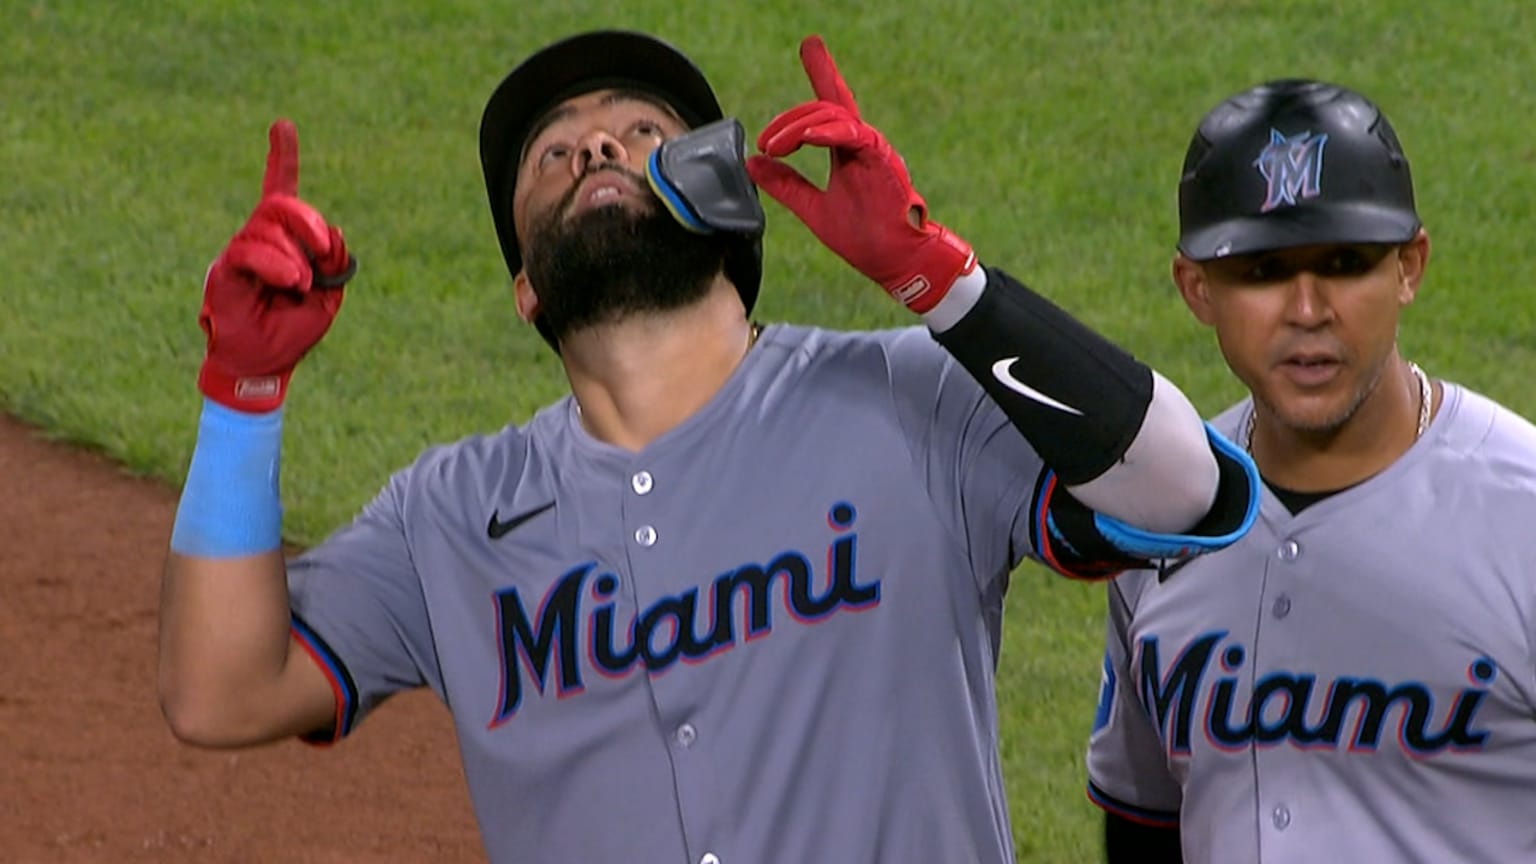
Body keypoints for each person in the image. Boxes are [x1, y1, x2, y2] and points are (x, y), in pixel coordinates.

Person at [158, 29, 1259, 864]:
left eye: (642, 134)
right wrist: (243, 395)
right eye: (551, 153)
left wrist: (941, 280)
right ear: (526, 287)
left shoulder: (912, 398)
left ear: (728, 206)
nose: (593, 141)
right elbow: (220, 695)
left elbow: (1183, 491)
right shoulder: (447, 515)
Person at [1086, 79, 1536, 864]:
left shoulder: (1521, 514)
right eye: (1262, 271)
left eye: (1344, 262)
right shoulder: (1165, 509)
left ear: (1409, 266)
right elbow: (1143, 821)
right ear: (1198, 289)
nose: (1307, 309)